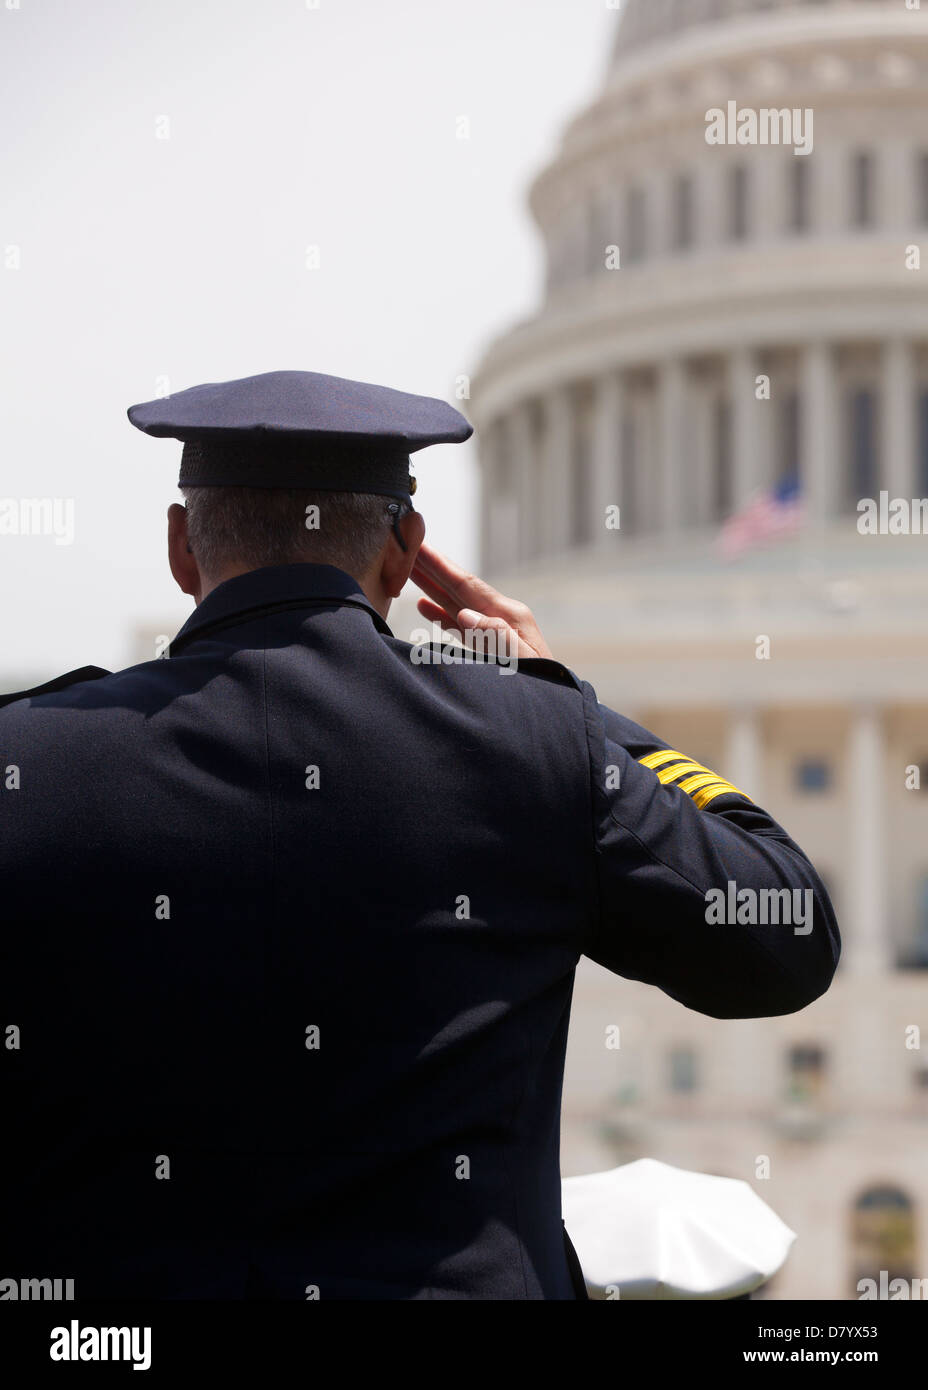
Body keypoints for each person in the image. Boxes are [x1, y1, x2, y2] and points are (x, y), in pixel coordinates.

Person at [0, 370, 840, 1300]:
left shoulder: (27, 758)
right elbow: (785, 938)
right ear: (404, 554)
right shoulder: (530, 744)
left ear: (179, 548)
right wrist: (568, 706)